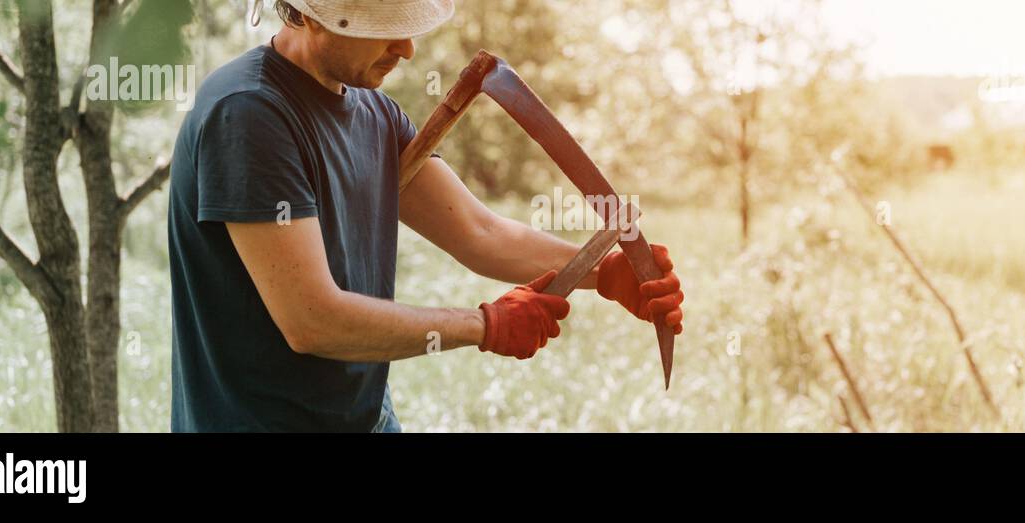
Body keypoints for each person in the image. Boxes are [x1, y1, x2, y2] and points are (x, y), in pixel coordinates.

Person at [167, 0, 683, 432]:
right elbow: (312, 320)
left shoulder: (374, 113)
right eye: (384, 30)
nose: (407, 49)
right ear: (315, 16)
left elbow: (479, 233)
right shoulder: (249, 111)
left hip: (366, 421)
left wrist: (608, 273)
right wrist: (485, 325)